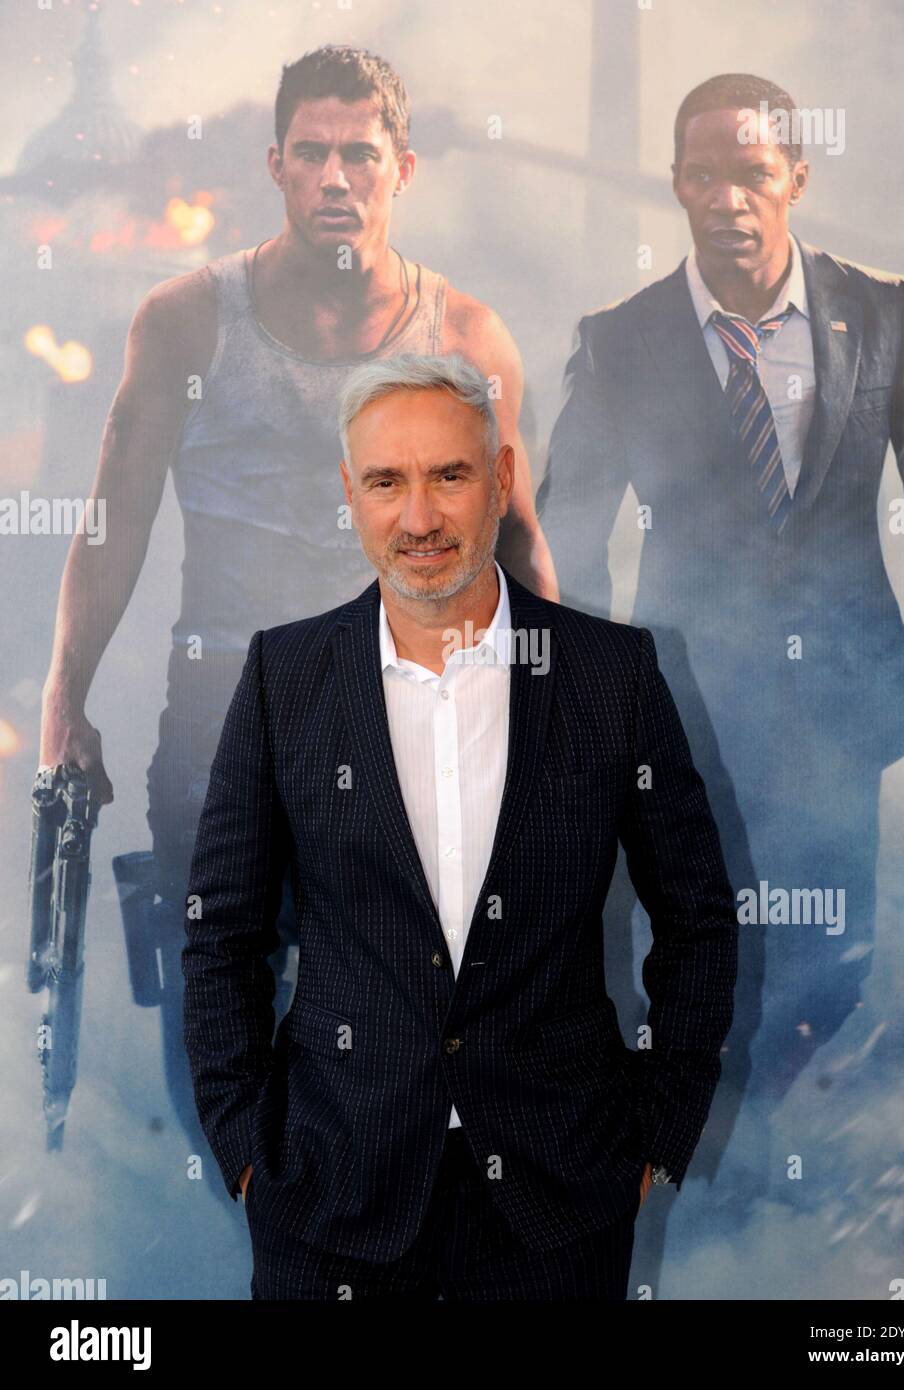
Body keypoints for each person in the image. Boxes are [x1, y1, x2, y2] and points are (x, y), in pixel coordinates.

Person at [38, 45, 552, 1190]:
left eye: (359, 154)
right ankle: (275, 1216)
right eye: (311, 153)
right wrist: (65, 698)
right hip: (222, 708)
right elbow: (115, 518)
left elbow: (519, 546)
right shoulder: (187, 320)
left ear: (402, 168)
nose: (334, 177)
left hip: (409, 710)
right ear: (275, 165)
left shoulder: (466, 340)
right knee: (216, 998)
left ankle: (374, 1223)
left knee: (413, 998)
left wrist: (564, 721)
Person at [181, 353, 738, 1300]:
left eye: (448, 475)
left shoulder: (611, 674)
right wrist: (245, 1149)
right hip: (328, 1200)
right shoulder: (285, 677)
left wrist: (656, 1135)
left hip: (558, 1204)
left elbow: (697, 921)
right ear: (349, 493)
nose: (419, 518)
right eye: (385, 483)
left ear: (502, 477)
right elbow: (221, 934)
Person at [536, 72, 904, 1161]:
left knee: (831, 971)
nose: (727, 198)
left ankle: (753, 1152)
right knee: (696, 970)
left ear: (796, 177)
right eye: (703, 175)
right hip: (683, 721)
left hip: (840, 708)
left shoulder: (878, 312)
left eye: (751, 173)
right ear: (676, 186)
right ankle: (703, 1185)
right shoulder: (622, 341)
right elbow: (564, 539)